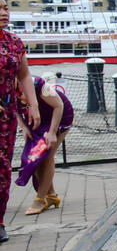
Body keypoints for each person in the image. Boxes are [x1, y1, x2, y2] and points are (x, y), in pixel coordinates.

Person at [0, 0, 39, 241]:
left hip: (6, 116)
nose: (4, 12)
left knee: (3, 168)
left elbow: (24, 75)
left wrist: (33, 105)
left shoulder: (14, 42)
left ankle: (0, 221)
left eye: (5, 7)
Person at [16, 74, 74, 214]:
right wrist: (23, 127)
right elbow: (14, 109)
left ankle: (40, 199)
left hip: (59, 117)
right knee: (34, 157)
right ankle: (52, 196)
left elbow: (59, 105)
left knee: (46, 156)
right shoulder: (6, 89)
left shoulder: (39, 85)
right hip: (36, 119)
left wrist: (53, 132)